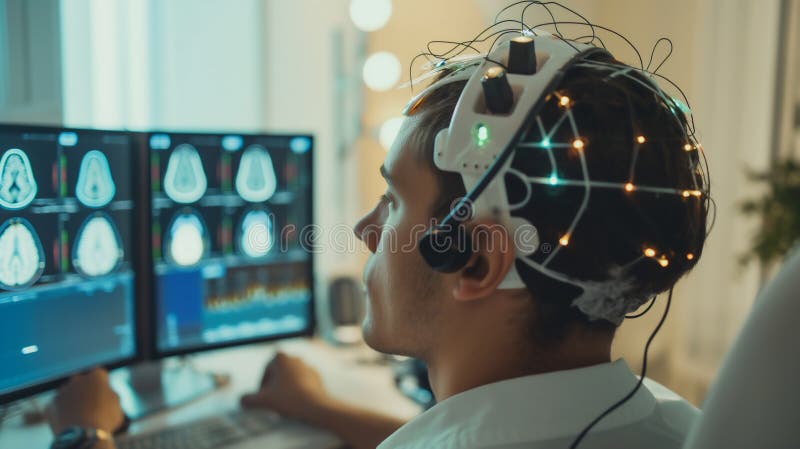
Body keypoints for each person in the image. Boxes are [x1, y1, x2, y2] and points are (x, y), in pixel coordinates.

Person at [47, 32, 708, 449]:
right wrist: (321, 407)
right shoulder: (687, 424)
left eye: (392, 201)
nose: (364, 229)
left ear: (474, 258)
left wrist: (86, 434)